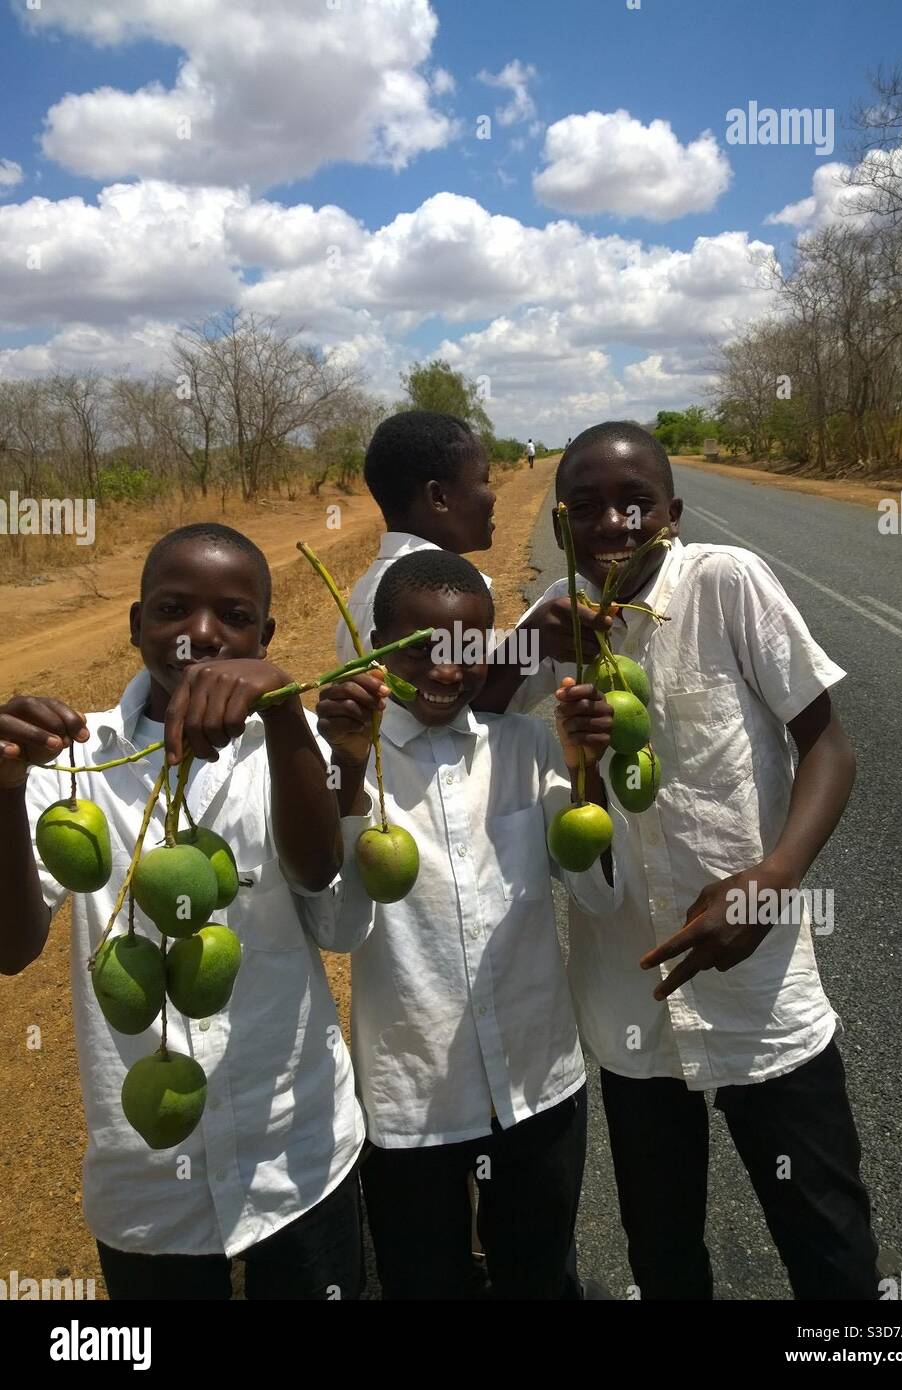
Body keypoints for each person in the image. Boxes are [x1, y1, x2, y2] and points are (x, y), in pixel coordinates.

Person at [476, 422, 879, 1301]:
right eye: (585, 508)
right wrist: (530, 642)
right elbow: (474, 710)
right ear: (559, 523)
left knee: (825, 1228)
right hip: (630, 993)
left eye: (635, 504)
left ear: (674, 514)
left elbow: (828, 746)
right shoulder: (563, 618)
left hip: (759, 981)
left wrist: (772, 884)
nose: (613, 524)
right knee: (662, 1242)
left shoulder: (726, 584)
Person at [0, 522, 371, 1300]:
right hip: (149, 1192)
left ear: (266, 637)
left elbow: (329, 904)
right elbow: (11, 946)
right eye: (173, 609)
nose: (201, 635)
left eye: (235, 617)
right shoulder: (77, 763)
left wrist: (283, 716)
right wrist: (3, 791)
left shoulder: (281, 750)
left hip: (296, 1155)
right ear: (136, 625)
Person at [317, 549, 624, 1300]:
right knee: (424, 1281)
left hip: (537, 1084)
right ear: (373, 646)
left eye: (468, 649)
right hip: (413, 1101)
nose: (446, 672)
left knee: (540, 1274)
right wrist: (347, 773)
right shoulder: (344, 765)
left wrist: (588, 772)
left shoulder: (525, 749)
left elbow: (598, 894)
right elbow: (337, 925)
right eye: (419, 648)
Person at [335, 411, 496, 664]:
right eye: (485, 480)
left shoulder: (362, 593)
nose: (493, 496)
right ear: (439, 497)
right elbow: (462, 701)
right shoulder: (446, 594)